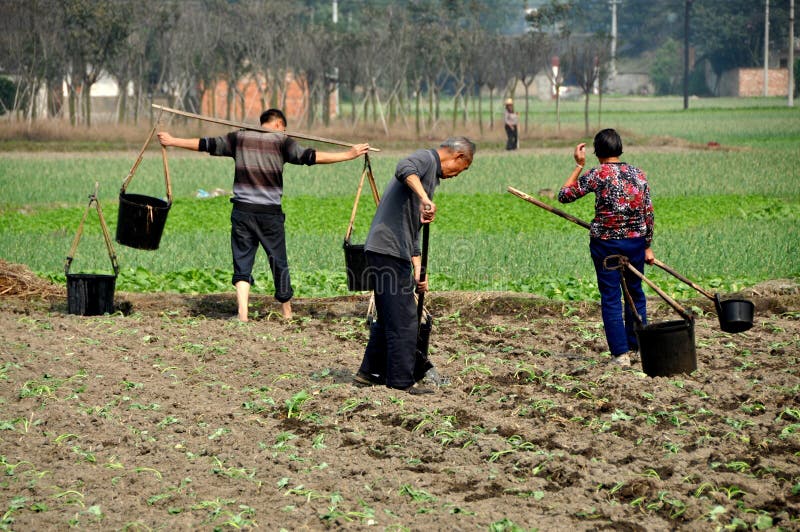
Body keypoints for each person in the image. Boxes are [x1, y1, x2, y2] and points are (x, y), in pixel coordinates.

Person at [158, 109, 370, 321]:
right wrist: (348, 155)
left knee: (242, 262)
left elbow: (206, 144)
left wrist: (172, 140)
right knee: (278, 261)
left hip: (243, 211)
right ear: (278, 124)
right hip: (270, 213)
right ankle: (287, 312)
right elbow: (311, 157)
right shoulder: (282, 141)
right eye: (284, 129)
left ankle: (243, 313)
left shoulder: (239, 137)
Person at [354, 137, 476, 394]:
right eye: (461, 170)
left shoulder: (431, 177)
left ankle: (369, 372)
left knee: (390, 317)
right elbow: (403, 167)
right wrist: (423, 197)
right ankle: (401, 381)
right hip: (386, 249)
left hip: (393, 250)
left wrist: (418, 268)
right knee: (405, 319)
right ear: (458, 157)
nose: (456, 175)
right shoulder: (425, 159)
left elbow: (413, 231)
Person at [557, 128, 655, 367]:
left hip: (606, 245)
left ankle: (621, 355)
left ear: (597, 152)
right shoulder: (638, 174)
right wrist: (647, 246)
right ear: (619, 149)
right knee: (635, 293)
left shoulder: (597, 174)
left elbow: (564, 195)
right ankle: (637, 346)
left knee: (611, 297)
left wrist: (579, 165)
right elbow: (648, 213)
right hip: (635, 243)